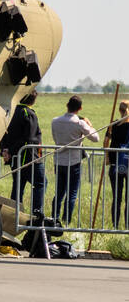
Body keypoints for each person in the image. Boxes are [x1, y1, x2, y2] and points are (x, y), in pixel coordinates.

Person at [51, 94, 100, 223]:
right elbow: (96, 138)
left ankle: (54, 219)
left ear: (67, 105)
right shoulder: (79, 123)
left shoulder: (55, 121)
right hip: (73, 162)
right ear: (80, 108)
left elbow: (55, 138)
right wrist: (90, 125)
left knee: (59, 193)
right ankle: (66, 220)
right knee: (71, 194)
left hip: (59, 161)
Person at [0, 91, 44, 216]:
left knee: (18, 186)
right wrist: (10, 150)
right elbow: (29, 138)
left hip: (14, 158)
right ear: (34, 100)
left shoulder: (12, 111)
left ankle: (13, 214)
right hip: (29, 158)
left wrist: (4, 150)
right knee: (40, 183)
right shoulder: (28, 113)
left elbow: (3, 132)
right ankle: (37, 213)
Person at [107, 101, 129, 229]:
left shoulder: (113, 124)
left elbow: (106, 141)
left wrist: (107, 159)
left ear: (119, 110)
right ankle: (127, 227)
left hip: (115, 164)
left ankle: (115, 225)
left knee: (117, 198)